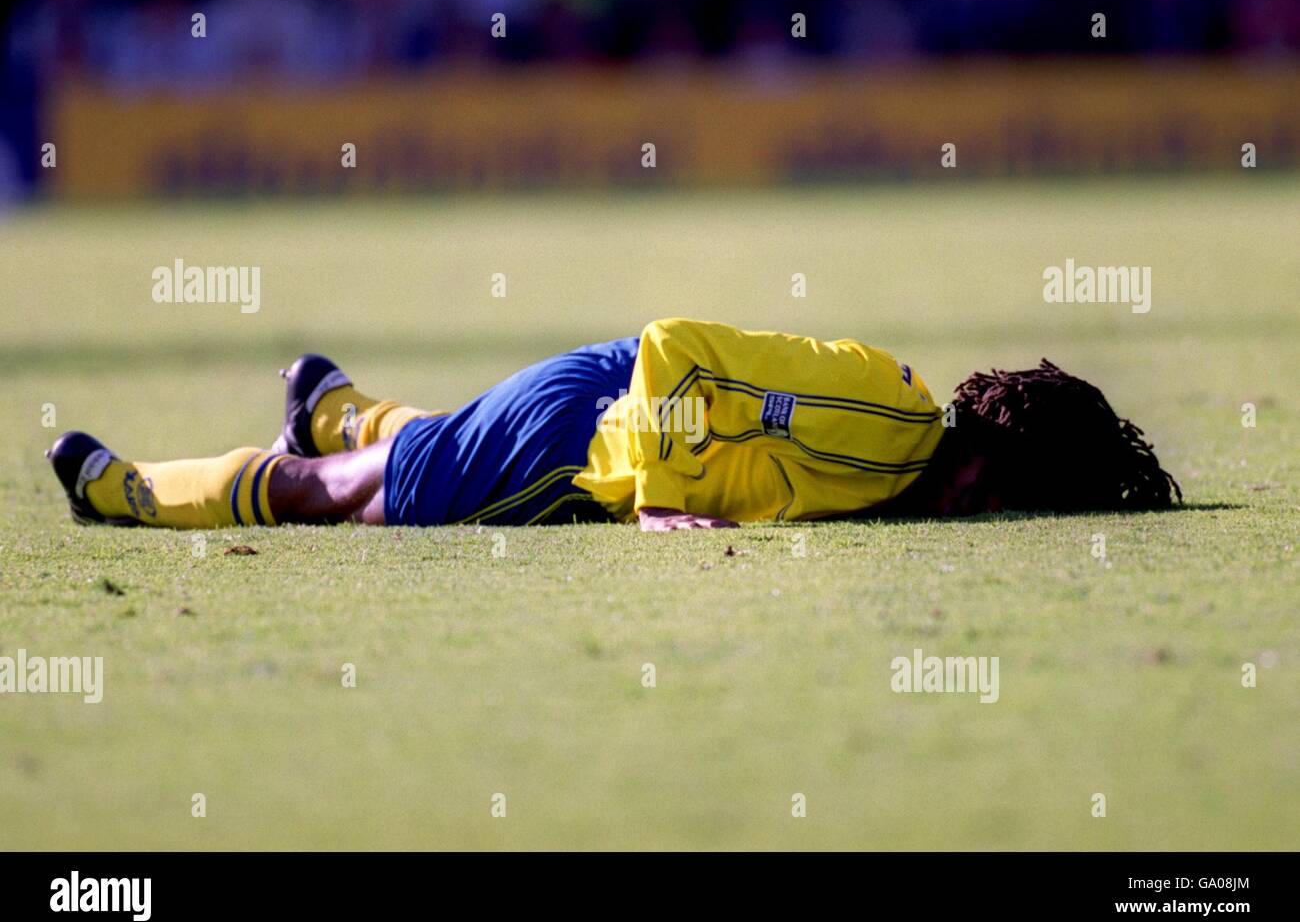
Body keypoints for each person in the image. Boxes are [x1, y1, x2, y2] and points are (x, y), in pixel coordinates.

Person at [47, 318, 1181, 533]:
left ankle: (337, 407)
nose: (988, 512)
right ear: (986, 452)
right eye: (1004, 492)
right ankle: (124, 487)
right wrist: (659, 490)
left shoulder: (892, 424)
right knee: (333, 496)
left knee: (427, 445)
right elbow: (677, 349)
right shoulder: (875, 432)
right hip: (584, 443)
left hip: (588, 405)